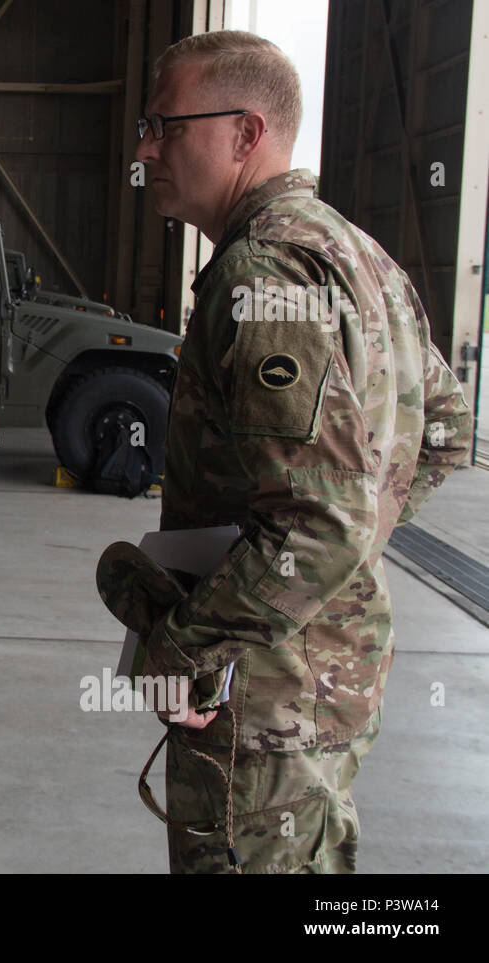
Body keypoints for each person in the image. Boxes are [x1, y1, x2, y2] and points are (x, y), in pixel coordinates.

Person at [114, 30, 472, 873]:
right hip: (325, 675)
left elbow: (321, 518)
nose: (144, 148)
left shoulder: (261, 272)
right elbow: (444, 433)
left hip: (259, 695)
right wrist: (337, 571)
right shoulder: (361, 254)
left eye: (165, 126)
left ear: (246, 133)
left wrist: (188, 646)